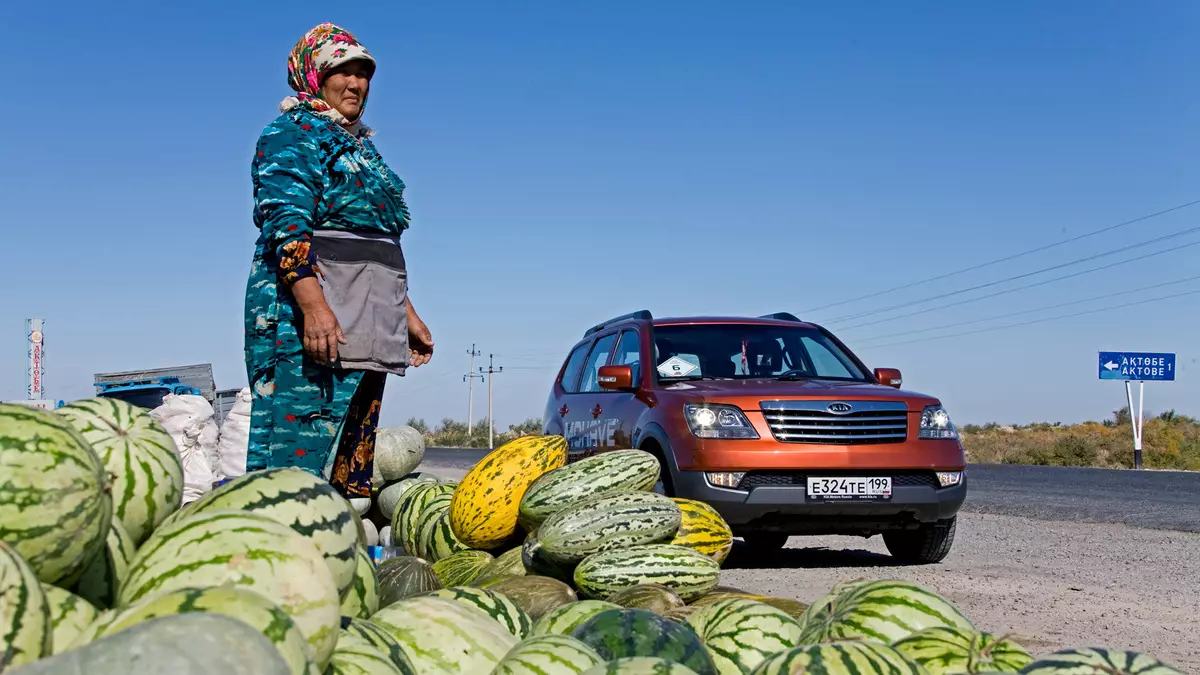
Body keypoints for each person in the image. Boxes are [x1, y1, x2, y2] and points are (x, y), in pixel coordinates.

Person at [243, 22, 433, 498]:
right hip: (308, 311)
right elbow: (286, 226)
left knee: (346, 457)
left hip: (367, 318)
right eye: (341, 71)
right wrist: (313, 306)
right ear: (314, 76)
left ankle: (331, 551)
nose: (355, 83)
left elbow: (375, 239)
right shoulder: (292, 133)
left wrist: (405, 314)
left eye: (363, 72)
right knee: (294, 457)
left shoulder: (360, 146)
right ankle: (275, 553)